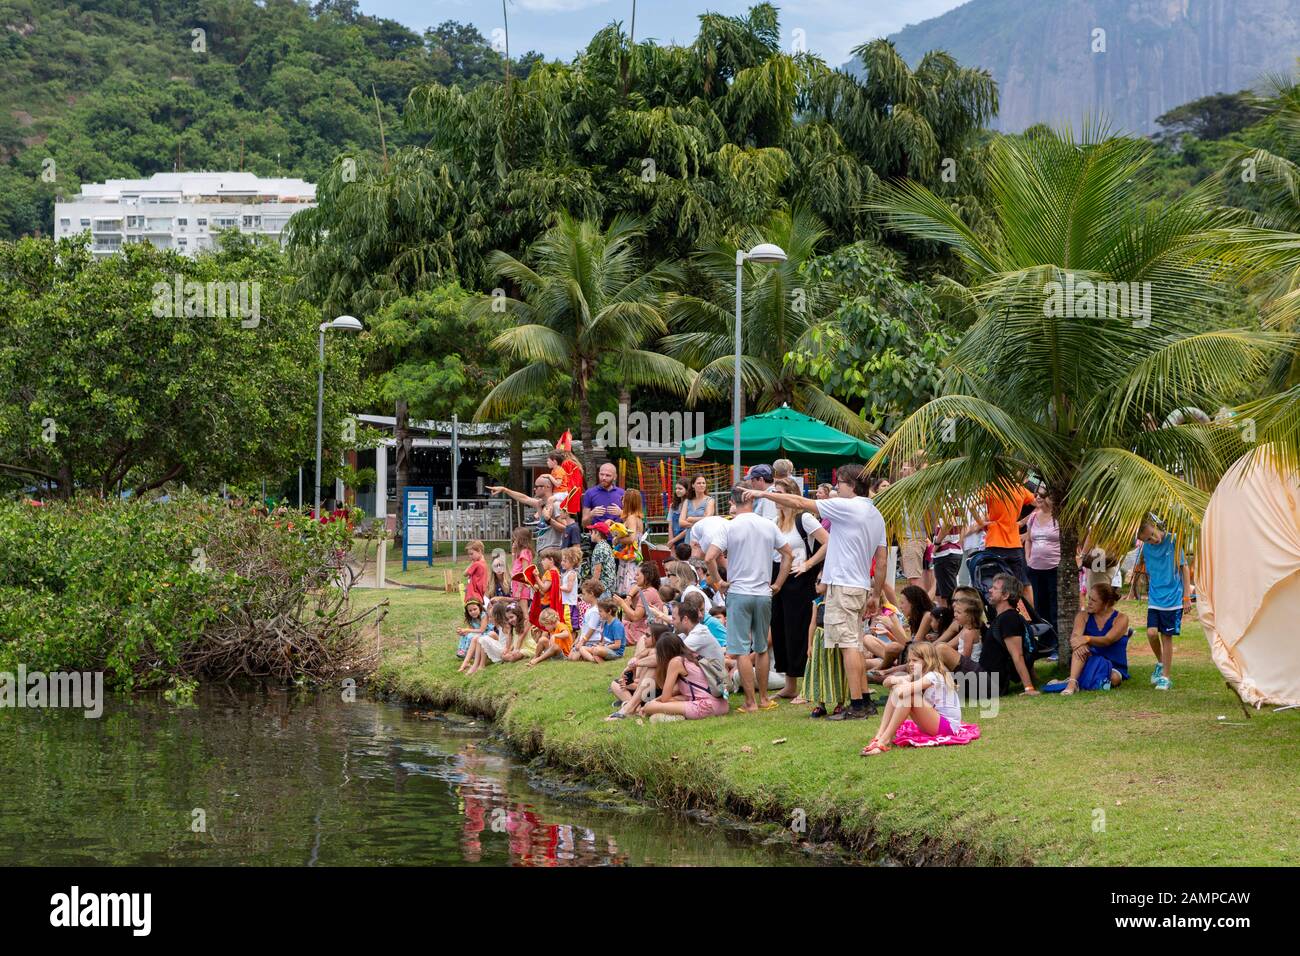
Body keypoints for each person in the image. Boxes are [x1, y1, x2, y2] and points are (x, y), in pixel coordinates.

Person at [747, 463, 887, 719]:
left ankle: (856, 705)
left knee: (848, 646)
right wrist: (876, 594)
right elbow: (882, 558)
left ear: (852, 486)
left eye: (840, 484)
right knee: (854, 642)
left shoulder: (847, 506)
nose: (837, 488)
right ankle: (865, 699)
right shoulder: (876, 514)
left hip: (844, 586)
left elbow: (798, 502)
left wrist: (764, 494)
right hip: (860, 586)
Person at [703, 485, 792, 713]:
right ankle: (763, 699)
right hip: (763, 593)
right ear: (751, 501)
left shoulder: (729, 526)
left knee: (741, 649)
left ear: (734, 503)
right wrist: (778, 583)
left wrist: (718, 581)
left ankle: (750, 702)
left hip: (739, 592)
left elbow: (710, 557)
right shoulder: (768, 525)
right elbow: (788, 554)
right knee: (761, 648)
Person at [770, 476, 829, 700]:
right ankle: (790, 683)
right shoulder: (776, 522)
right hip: (779, 579)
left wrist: (809, 564)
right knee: (780, 628)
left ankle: (807, 686)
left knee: (800, 630)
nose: (775, 496)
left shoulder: (804, 518)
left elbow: (828, 541)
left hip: (800, 579)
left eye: (780, 492)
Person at [862, 642, 965, 756]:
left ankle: (885, 740)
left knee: (910, 696)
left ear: (927, 660)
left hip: (948, 727)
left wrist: (899, 683)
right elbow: (886, 683)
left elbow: (901, 692)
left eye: (915, 660)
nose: (910, 664)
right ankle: (880, 735)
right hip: (934, 722)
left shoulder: (934, 676)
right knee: (900, 692)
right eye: (909, 660)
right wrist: (899, 680)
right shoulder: (918, 675)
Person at [1128, 514, 1191, 691]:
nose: (1152, 540)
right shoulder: (1146, 548)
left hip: (1173, 598)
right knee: (1151, 633)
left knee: (1166, 637)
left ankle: (1165, 677)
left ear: (1155, 526)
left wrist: (1186, 596)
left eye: (1152, 535)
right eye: (1147, 539)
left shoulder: (1173, 540)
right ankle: (1161, 663)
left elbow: (1184, 568)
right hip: (1155, 598)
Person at [1047, 582, 1130, 694]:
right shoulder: (1083, 615)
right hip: (1089, 658)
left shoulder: (1121, 618)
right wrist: (1081, 643)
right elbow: (1075, 639)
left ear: (1106, 604)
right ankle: (1072, 684)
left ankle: (1072, 680)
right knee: (1080, 648)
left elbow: (1108, 640)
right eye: (1089, 598)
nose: (1089, 603)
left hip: (1114, 664)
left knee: (1114, 679)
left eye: (1093, 601)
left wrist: (1087, 639)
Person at [963, 573, 1038, 696]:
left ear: (1006, 595)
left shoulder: (1009, 619)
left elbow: (1017, 655)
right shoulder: (1001, 618)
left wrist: (1029, 687)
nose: (990, 590)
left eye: (995, 588)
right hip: (982, 678)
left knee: (942, 650)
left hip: (990, 684)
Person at [638, 632, 730, 722]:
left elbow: (665, 698)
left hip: (706, 706)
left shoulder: (676, 662)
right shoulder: (694, 656)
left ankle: (675, 717)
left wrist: (652, 704)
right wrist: (658, 700)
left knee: (650, 706)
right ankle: (665, 714)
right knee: (653, 704)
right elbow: (683, 694)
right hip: (722, 705)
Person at [981, 479, 1037, 605]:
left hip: (994, 542)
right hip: (1014, 543)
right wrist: (1022, 522)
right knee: (1017, 586)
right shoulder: (1019, 488)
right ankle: (1023, 615)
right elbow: (1039, 504)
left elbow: (972, 504)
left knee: (995, 585)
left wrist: (980, 523)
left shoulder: (992, 486)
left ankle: (1000, 615)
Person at [804, 589, 849, 718]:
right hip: (820, 638)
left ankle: (840, 702)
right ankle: (820, 704)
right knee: (820, 670)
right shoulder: (817, 602)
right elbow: (812, 624)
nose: (816, 585)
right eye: (816, 581)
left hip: (835, 638)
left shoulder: (838, 600)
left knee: (838, 669)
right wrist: (810, 645)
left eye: (820, 581)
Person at [489, 477, 565, 551]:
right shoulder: (539, 503)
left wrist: (548, 520)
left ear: (547, 487)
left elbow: (566, 528)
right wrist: (505, 490)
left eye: (537, 486)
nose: (534, 489)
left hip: (553, 549)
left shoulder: (556, 505)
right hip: (541, 549)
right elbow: (524, 498)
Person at [1024, 488, 1061, 635]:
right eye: (1037, 494)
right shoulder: (1033, 517)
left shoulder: (1059, 517)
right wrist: (1028, 558)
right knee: (1040, 606)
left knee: (1054, 605)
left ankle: (1057, 639)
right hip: (1035, 568)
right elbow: (1028, 539)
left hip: (1054, 567)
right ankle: (1046, 641)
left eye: (1043, 495)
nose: (1038, 497)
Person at [576, 596, 627, 663]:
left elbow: (617, 645)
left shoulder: (616, 625)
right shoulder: (606, 623)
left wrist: (603, 647)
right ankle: (594, 659)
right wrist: (600, 645)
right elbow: (604, 641)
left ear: (609, 611)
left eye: (600, 611)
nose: (599, 614)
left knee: (597, 650)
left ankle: (596, 658)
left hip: (615, 652)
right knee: (582, 648)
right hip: (604, 648)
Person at [931, 509, 965, 607]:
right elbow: (964, 527)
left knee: (948, 596)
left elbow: (948, 523)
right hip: (953, 552)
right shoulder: (960, 505)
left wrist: (936, 544)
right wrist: (958, 543)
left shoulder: (946, 504)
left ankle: (953, 618)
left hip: (946, 553)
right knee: (942, 593)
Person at [613, 489, 645, 596]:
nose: (621, 500)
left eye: (624, 498)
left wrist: (617, 540)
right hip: (634, 554)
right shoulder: (637, 518)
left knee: (629, 585)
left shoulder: (631, 518)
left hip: (630, 556)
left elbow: (631, 538)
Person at [465, 602, 511, 675]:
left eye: (491, 617)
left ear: (497, 616)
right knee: (482, 638)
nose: (489, 620)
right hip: (501, 647)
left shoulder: (506, 626)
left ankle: (481, 665)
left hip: (503, 650)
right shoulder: (500, 626)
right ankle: (476, 664)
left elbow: (510, 639)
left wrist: (507, 649)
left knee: (483, 639)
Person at [581, 462, 625, 529]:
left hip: (617, 537)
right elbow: (584, 524)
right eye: (601, 474)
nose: (603, 478)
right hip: (597, 536)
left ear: (615, 477)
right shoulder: (590, 493)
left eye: (608, 475)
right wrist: (591, 514)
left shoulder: (622, 493)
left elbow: (632, 519)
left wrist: (621, 513)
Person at [509, 526, 534, 622]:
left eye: (515, 537)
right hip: (517, 583)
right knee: (519, 609)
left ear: (521, 539)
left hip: (521, 585)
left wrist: (519, 589)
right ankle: (523, 629)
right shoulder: (522, 552)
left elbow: (525, 572)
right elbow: (515, 565)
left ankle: (527, 629)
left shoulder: (524, 552)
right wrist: (513, 553)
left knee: (524, 612)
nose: (513, 539)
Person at [587, 521, 617, 599]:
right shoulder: (607, 546)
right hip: (609, 587)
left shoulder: (599, 548)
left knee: (600, 610)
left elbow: (597, 571)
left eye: (592, 532)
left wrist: (591, 587)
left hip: (601, 588)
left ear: (597, 533)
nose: (590, 534)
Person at [455, 598, 487, 666]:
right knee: (465, 635)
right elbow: (472, 629)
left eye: (475, 609)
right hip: (477, 633)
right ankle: (462, 651)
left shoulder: (484, 615)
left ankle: (469, 654)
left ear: (479, 607)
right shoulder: (471, 619)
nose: (473, 612)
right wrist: (463, 631)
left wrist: (467, 630)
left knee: (470, 635)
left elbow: (482, 630)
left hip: (486, 633)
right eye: (470, 611)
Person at [559, 545, 583, 631]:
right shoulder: (566, 573)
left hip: (569, 604)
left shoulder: (571, 574)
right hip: (566, 603)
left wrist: (558, 587)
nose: (562, 563)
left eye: (565, 561)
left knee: (570, 627)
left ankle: (571, 643)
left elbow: (569, 589)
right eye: (562, 560)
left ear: (572, 562)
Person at [667, 479, 690, 550]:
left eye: (680, 488)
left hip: (686, 540)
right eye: (676, 488)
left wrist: (674, 540)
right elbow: (670, 526)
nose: (677, 490)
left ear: (687, 490)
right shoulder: (673, 506)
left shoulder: (690, 506)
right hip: (674, 541)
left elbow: (689, 528)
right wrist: (671, 542)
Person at [463, 540, 488, 605]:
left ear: (479, 551)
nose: (470, 556)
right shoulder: (484, 563)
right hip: (480, 594)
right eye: (469, 554)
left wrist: (472, 562)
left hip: (473, 594)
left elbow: (465, 574)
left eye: (472, 554)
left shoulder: (476, 564)